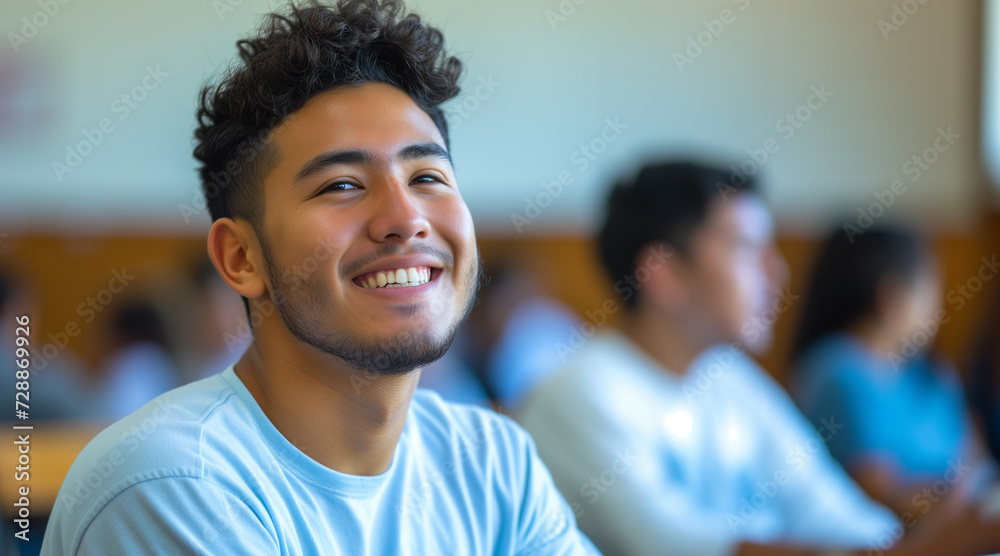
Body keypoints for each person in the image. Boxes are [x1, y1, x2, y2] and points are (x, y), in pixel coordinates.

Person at [40, 1, 597, 554]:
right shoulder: (173, 485)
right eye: (342, 186)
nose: (406, 219)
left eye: (427, 175)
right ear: (241, 258)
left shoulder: (492, 462)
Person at [516, 160, 1000, 556]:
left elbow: (832, 513)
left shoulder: (728, 378)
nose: (779, 272)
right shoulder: (580, 393)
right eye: (748, 248)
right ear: (663, 274)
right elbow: (676, 549)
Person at [790, 228, 996, 518]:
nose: (937, 308)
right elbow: (878, 494)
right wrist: (963, 508)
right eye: (930, 289)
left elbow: (977, 464)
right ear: (893, 298)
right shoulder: (837, 373)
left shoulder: (931, 373)